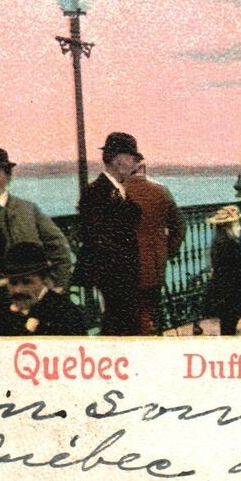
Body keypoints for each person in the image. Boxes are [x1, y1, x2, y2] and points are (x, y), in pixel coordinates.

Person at [0, 147, 74, 292]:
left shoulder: (27, 209)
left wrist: (57, 286)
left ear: (8, 176)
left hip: (29, 293)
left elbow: (60, 250)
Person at [73, 132, 146, 336]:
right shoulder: (96, 192)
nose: (135, 164)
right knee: (120, 326)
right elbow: (97, 236)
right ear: (118, 159)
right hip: (112, 276)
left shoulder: (118, 190)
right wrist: (124, 262)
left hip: (123, 276)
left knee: (125, 325)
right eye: (133, 158)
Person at [126, 167, 185, 335]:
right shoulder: (160, 191)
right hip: (155, 264)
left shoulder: (119, 192)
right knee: (154, 309)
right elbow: (179, 226)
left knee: (131, 317)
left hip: (127, 267)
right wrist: (168, 250)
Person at [3, 241, 88, 336]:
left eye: (26, 282)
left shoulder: (64, 313)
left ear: (43, 279)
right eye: (13, 283)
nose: (18, 290)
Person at [202, 205, 241, 336]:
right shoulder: (229, 244)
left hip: (223, 286)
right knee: (230, 321)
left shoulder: (220, 242)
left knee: (228, 321)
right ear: (228, 226)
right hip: (231, 288)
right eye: (236, 224)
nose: (240, 227)